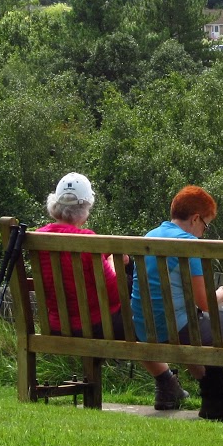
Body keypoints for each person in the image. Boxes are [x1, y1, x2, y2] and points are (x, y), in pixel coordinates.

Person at [128, 185, 223, 424]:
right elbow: (204, 302)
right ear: (196, 218)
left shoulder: (150, 236)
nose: (203, 233)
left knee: (214, 327)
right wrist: (219, 296)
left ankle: (215, 401)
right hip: (178, 328)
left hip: (145, 328)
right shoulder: (188, 243)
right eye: (205, 225)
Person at [35, 172, 188, 411]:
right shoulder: (88, 241)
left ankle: (168, 385)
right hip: (97, 325)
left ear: (55, 204)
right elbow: (114, 294)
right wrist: (119, 264)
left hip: (56, 324)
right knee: (139, 317)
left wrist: (103, 259)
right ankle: (166, 383)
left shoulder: (38, 237)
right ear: (85, 209)